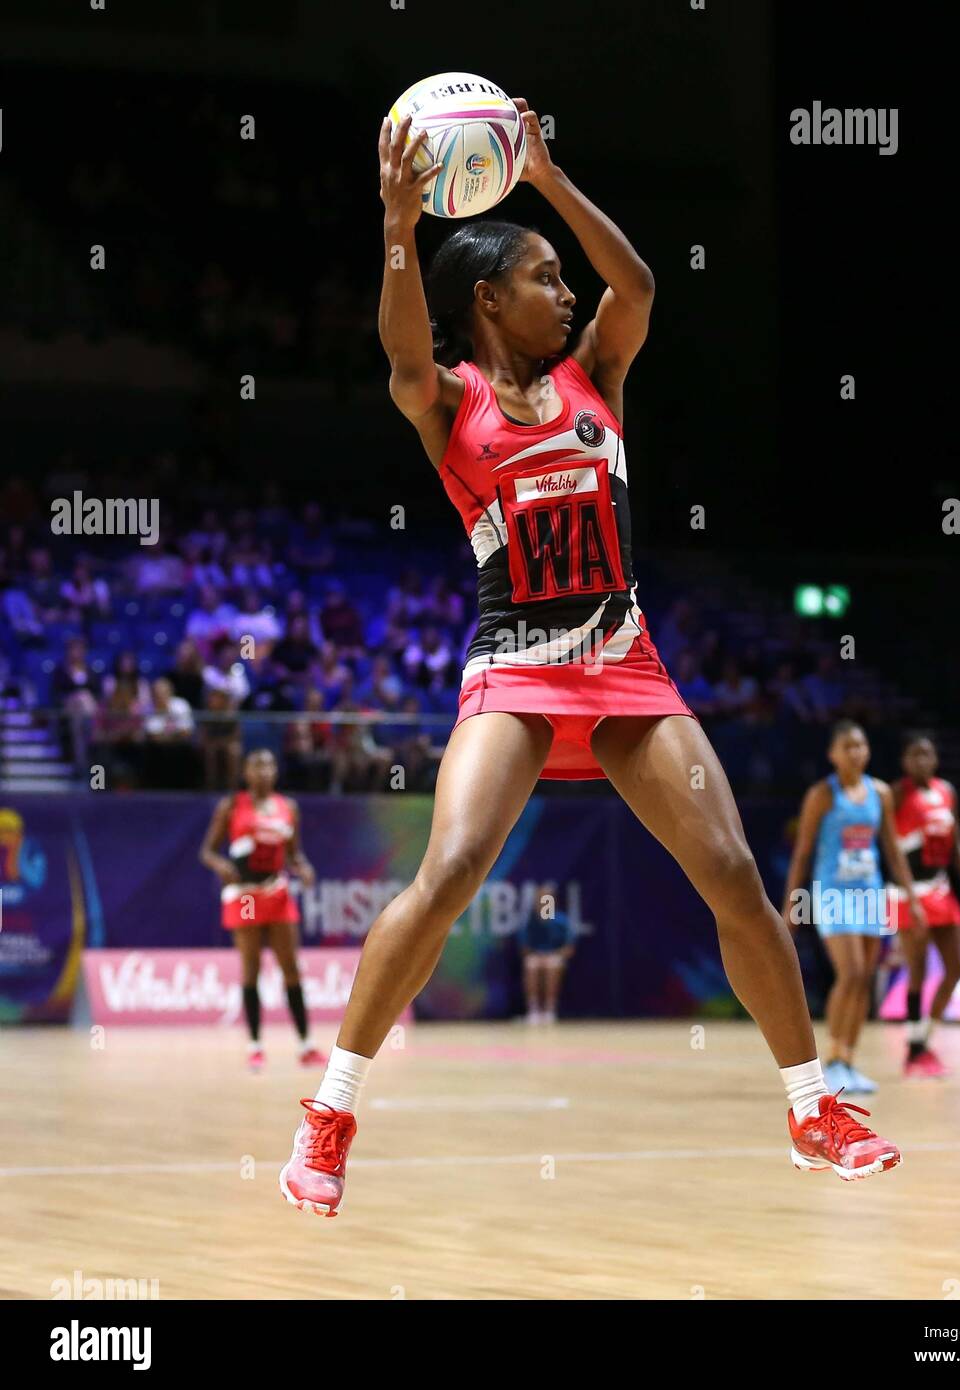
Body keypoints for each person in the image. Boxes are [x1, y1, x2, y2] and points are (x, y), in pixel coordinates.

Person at [277, 102, 902, 1219]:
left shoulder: (597, 378)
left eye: (565, 277)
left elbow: (643, 286)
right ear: (487, 298)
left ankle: (815, 1106)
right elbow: (403, 354)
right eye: (543, 276)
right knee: (454, 865)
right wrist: (395, 224)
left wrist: (549, 178)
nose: (566, 292)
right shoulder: (450, 401)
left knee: (734, 876)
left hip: (623, 663)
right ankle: (329, 1114)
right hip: (514, 664)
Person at [783, 721, 925, 1094]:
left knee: (865, 979)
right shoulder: (822, 795)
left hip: (872, 894)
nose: (855, 752)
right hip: (833, 895)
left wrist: (911, 896)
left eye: (860, 745)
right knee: (851, 974)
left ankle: (848, 1060)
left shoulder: (880, 793)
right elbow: (802, 852)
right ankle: (830, 1061)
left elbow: (892, 850)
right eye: (847, 746)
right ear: (833, 754)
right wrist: (791, 907)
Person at [199, 748, 324, 1070]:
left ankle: (306, 1045)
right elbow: (207, 851)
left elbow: (295, 854)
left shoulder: (288, 808)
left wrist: (304, 867)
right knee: (251, 968)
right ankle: (255, 1046)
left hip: (277, 891)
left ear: (275, 771)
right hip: (247, 896)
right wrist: (222, 865)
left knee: (291, 968)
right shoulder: (232, 806)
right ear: (246, 773)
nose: (264, 771)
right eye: (257, 766)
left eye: (269, 765)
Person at [890, 732, 960, 1078]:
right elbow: (887, 845)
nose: (922, 760)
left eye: (927, 754)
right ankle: (914, 1050)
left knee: (955, 969)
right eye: (915, 755)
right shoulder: (898, 793)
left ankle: (926, 1040)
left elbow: (957, 843)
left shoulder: (947, 791)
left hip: (942, 890)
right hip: (910, 893)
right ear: (905, 761)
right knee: (916, 972)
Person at [517, 883, 577, 1024]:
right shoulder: (530, 921)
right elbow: (524, 948)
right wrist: (539, 955)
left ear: (553, 900)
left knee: (552, 964)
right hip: (536, 957)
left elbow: (569, 948)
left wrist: (552, 955)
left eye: (547, 898)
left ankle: (550, 1010)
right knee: (531, 964)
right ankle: (533, 1010)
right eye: (541, 898)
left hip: (554, 957)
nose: (544, 901)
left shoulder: (562, 921)